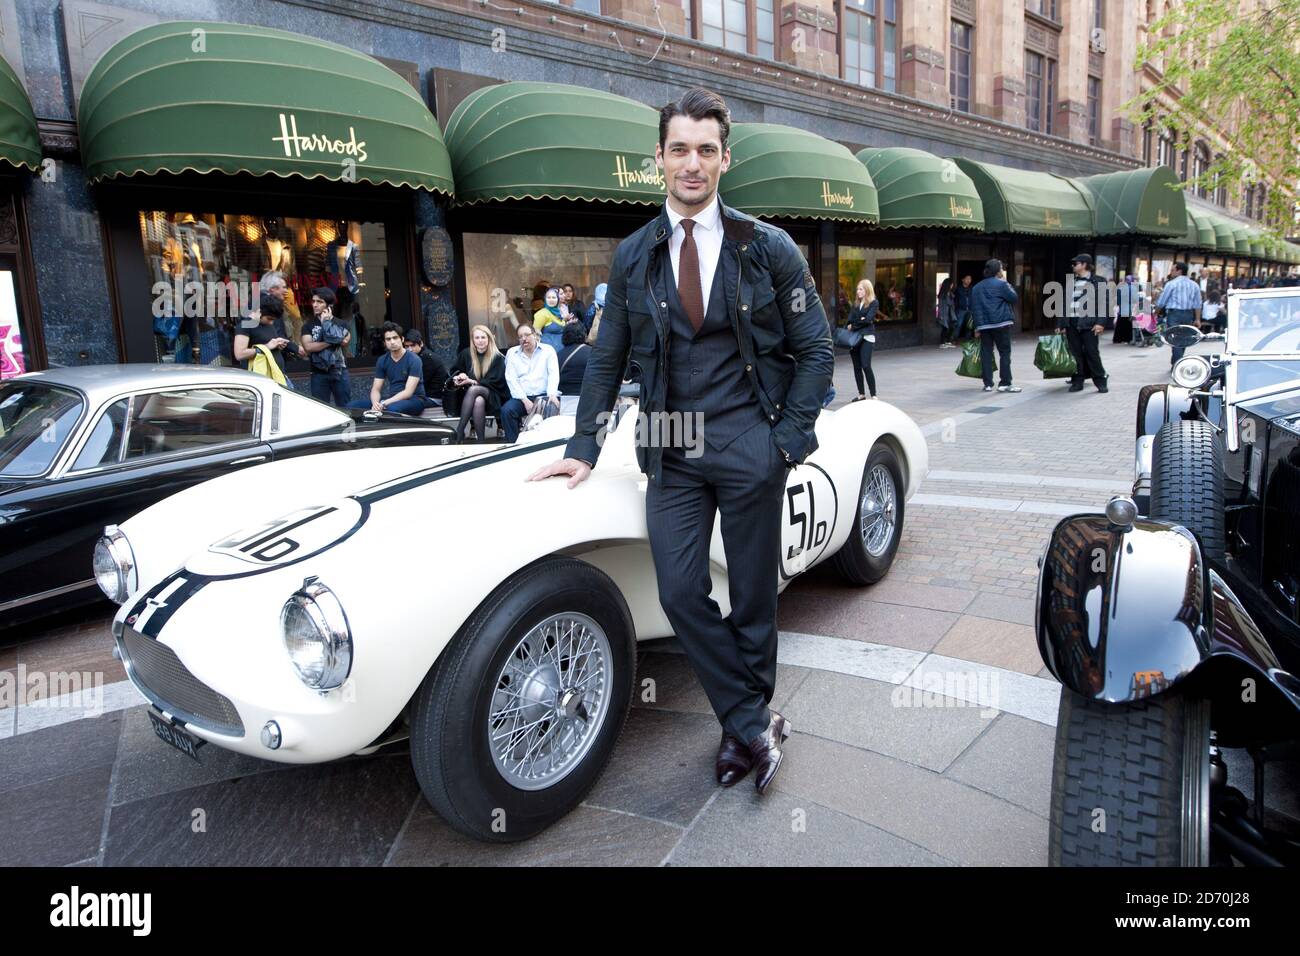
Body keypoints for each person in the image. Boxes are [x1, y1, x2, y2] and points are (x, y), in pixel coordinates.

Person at [528, 87, 832, 795]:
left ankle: (737, 732)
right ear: (658, 160)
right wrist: (583, 446)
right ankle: (756, 720)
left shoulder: (770, 249)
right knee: (681, 591)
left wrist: (785, 442)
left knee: (754, 595)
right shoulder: (634, 255)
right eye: (678, 150)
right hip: (670, 442)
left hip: (751, 441)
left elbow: (816, 351)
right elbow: (606, 359)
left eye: (705, 150)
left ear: (725, 158)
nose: (691, 163)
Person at [1055, 253, 1109, 394]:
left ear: (1084, 264)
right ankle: (1077, 381)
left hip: (1089, 323)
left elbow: (1104, 304)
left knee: (1092, 353)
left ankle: (1100, 381)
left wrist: (1100, 323)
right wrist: (1060, 324)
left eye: (1075, 263)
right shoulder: (1071, 282)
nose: (1073, 266)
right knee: (1075, 353)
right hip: (1072, 323)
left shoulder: (1099, 281)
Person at [448, 324, 509, 442]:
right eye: (477, 338)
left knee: (474, 389)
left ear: (489, 339)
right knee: (478, 401)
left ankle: (460, 430)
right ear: (473, 340)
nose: (480, 341)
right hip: (470, 399)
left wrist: (471, 381)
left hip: (494, 395)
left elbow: (496, 381)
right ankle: (481, 442)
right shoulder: (466, 354)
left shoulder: (497, 357)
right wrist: (460, 376)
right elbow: (455, 371)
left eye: (483, 337)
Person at [347, 322, 425, 415]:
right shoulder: (382, 360)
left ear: (402, 339)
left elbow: (408, 392)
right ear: (384, 343)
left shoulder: (414, 359)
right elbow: (376, 389)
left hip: (415, 399)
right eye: (388, 339)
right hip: (392, 399)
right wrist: (375, 404)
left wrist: (384, 403)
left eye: (395, 338)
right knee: (351, 406)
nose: (392, 342)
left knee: (391, 409)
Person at [501, 323, 560, 442]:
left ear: (534, 335)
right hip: (522, 397)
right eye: (520, 336)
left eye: (527, 335)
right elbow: (511, 379)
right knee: (507, 411)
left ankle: (546, 444)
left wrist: (551, 394)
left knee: (551, 408)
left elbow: (553, 374)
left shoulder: (548, 350)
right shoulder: (512, 353)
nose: (523, 339)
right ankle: (514, 445)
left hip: (544, 395)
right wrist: (525, 400)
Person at [970, 259, 1020, 392]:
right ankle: (1005, 383)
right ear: (998, 271)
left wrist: (977, 327)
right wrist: (1005, 281)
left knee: (986, 352)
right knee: (1004, 352)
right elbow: (1014, 298)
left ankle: (987, 384)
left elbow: (974, 308)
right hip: (1001, 323)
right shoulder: (1002, 284)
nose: (1002, 271)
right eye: (1002, 268)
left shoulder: (976, 287)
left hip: (984, 326)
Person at [233, 292, 299, 385]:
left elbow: (268, 345)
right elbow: (239, 354)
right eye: (269, 318)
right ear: (259, 312)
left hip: (278, 376)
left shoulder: (267, 324)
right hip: (260, 380)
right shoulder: (246, 325)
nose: (271, 322)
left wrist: (278, 345)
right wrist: (267, 347)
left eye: (273, 319)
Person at [300, 287, 352, 406]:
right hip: (318, 374)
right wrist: (334, 340)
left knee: (345, 407)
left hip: (340, 372)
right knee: (321, 409)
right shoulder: (308, 326)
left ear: (329, 305)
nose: (315, 305)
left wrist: (327, 322)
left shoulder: (342, 323)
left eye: (319, 302)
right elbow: (308, 347)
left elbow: (344, 341)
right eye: (313, 301)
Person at [1155, 261, 1203, 366]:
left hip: (1174, 314)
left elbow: (1162, 301)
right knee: (1184, 338)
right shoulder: (1194, 285)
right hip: (1188, 314)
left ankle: (1177, 362)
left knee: (1175, 338)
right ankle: (1177, 360)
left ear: (1179, 271)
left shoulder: (1171, 284)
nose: (1171, 272)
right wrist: (1197, 319)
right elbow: (1198, 303)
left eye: (1172, 270)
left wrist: (1155, 314)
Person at [846, 278, 879, 400]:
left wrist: (855, 324)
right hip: (855, 339)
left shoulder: (874, 303)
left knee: (866, 365)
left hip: (867, 338)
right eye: (857, 289)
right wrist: (860, 321)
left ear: (867, 290)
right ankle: (861, 394)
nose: (858, 291)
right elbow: (849, 321)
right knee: (857, 367)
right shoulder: (856, 304)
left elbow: (869, 319)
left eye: (860, 289)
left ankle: (874, 394)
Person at [403, 329, 449, 408]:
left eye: (413, 345)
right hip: (425, 396)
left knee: (402, 404)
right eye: (406, 346)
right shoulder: (418, 356)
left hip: (434, 399)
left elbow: (419, 384)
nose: (409, 349)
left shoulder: (426, 358)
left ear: (421, 343)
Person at [557, 320, 590, 415]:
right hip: (587, 401)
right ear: (583, 334)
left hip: (563, 402)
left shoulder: (557, 355)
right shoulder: (592, 353)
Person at [533, 287, 568, 354]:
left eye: (554, 297)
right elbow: (535, 334)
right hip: (548, 352)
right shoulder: (542, 313)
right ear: (545, 299)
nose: (551, 300)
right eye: (548, 297)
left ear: (558, 299)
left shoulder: (558, 313)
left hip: (561, 351)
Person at [1114, 274, 1140, 345]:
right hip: (1129, 308)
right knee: (1128, 324)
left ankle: (1118, 339)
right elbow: (1135, 299)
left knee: (1120, 323)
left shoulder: (1121, 287)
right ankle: (1127, 338)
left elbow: (1118, 299)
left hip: (1122, 308)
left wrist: (1119, 305)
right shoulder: (1133, 288)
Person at [936, 276, 956, 348]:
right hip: (944, 313)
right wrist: (940, 315)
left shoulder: (950, 293)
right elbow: (940, 305)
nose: (952, 285)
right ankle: (942, 343)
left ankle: (948, 341)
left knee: (952, 327)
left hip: (950, 313)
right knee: (945, 328)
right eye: (951, 284)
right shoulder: (942, 294)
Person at [954, 274, 974, 340]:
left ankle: (968, 339)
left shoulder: (972, 288)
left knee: (969, 325)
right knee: (958, 325)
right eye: (967, 279)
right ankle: (954, 339)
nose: (969, 280)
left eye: (970, 279)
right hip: (961, 309)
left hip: (970, 309)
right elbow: (955, 300)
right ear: (963, 280)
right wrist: (956, 308)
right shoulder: (958, 289)